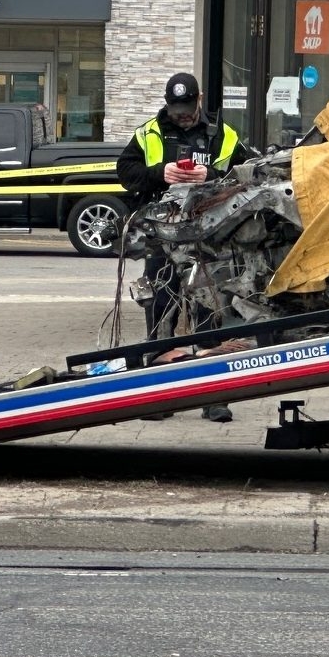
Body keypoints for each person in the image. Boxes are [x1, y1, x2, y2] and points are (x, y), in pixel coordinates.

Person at [116, 72, 251, 421]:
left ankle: (212, 397)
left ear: (199, 100)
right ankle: (160, 396)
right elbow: (125, 171)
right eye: (176, 109)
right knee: (161, 307)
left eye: (188, 108)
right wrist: (163, 173)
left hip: (206, 239)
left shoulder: (223, 135)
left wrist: (213, 178)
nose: (183, 115)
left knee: (209, 311)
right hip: (162, 235)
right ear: (167, 103)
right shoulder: (149, 133)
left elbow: (247, 174)